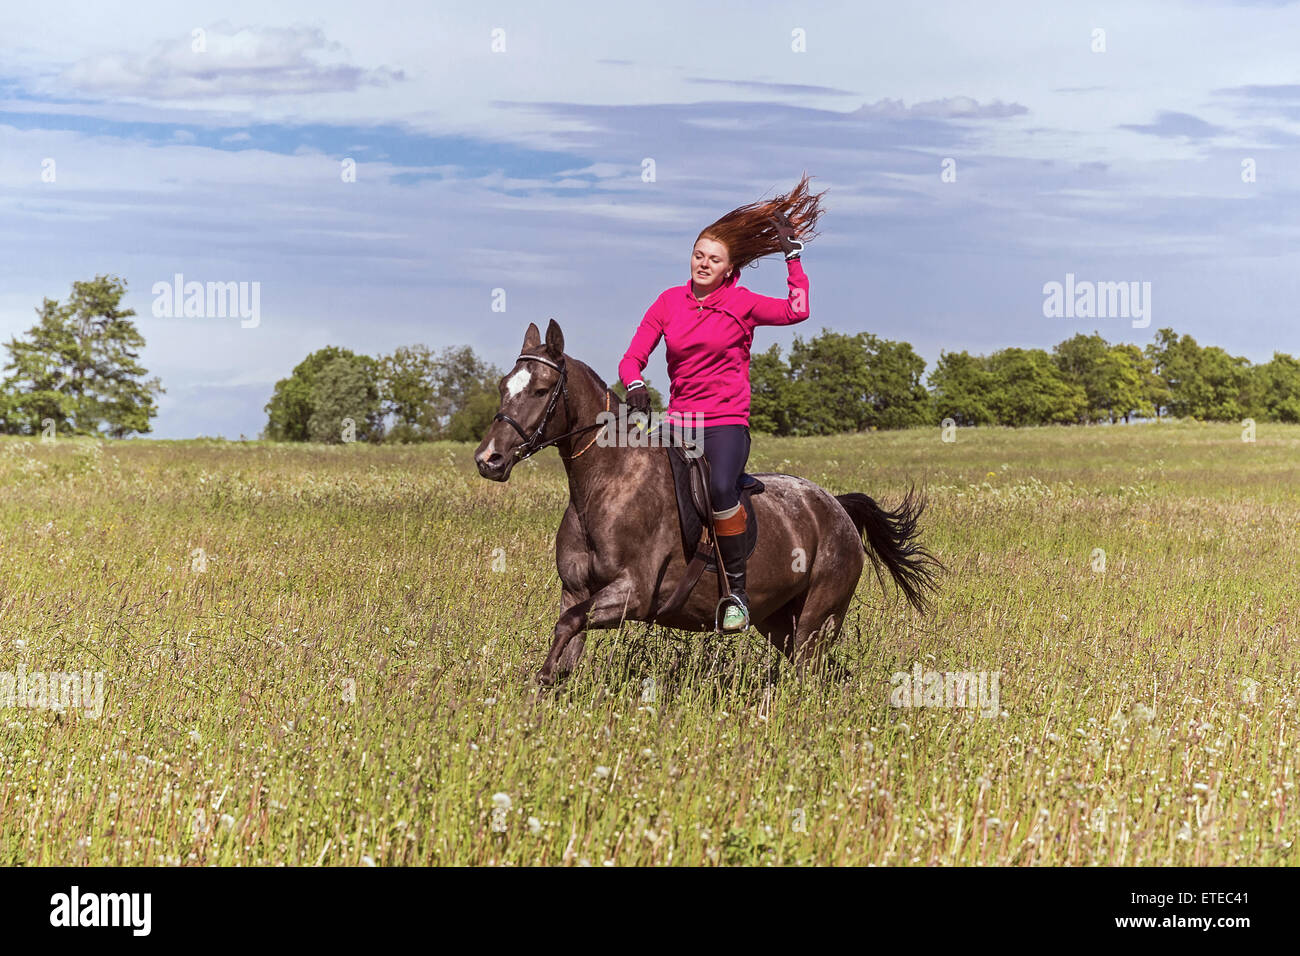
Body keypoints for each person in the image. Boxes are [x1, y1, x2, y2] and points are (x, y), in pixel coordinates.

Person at [618, 175, 825, 631]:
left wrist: (793, 259)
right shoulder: (668, 302)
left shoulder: (743, 303)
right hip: (678, 421)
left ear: (730, 268)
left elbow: (797, 310)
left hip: (725, 423)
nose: (702, 264)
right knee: (641, 485)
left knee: (718, 492)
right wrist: (633, 384)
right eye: (697, 255)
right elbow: (633, 356)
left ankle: (736, 594)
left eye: (713, 258)